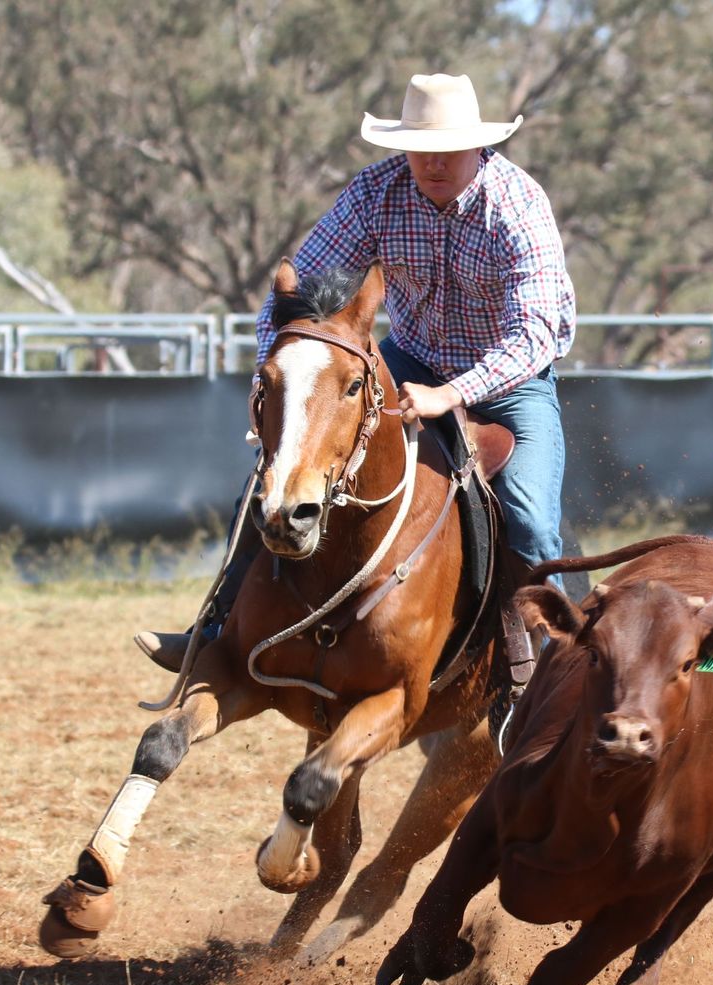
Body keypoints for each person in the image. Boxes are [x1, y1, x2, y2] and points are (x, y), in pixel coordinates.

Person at [137, 72, 576, 724]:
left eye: (446, 149)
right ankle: (216, 627)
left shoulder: (516, 205)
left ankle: (560, 667)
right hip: (409, 359)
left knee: (534, 518)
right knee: (278, 470)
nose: (430, 162)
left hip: (511, 383)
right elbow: (292, 297)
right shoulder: (377, 191)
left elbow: (536, 332)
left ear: (478, 149)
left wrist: (450, 394)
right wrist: (276, 382)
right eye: (420, 147)